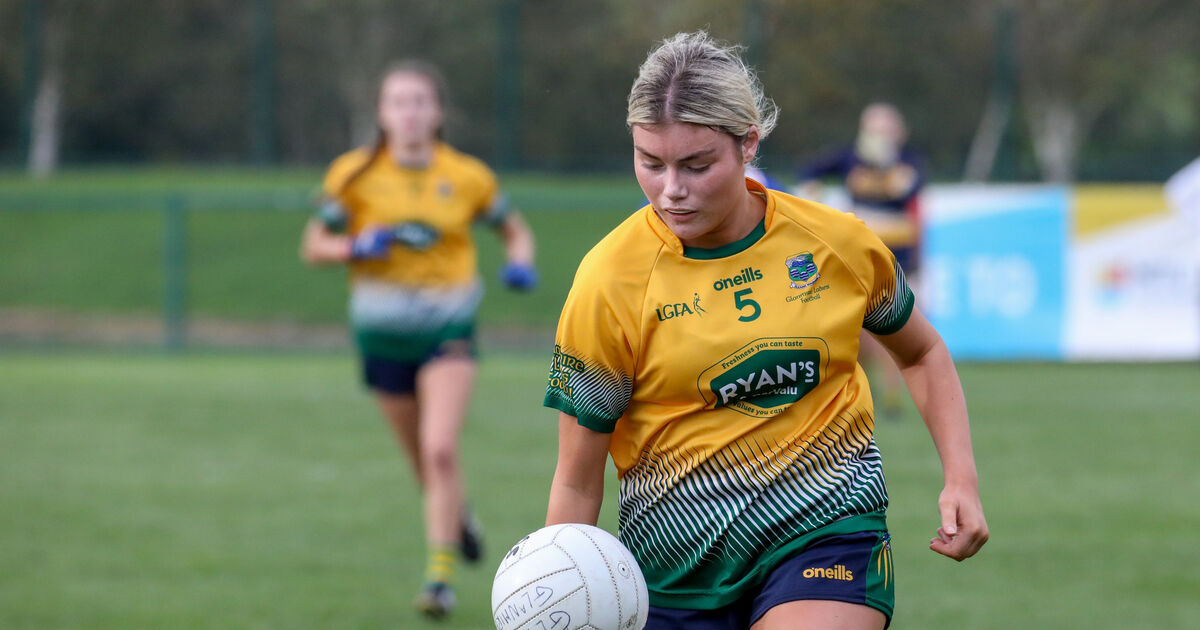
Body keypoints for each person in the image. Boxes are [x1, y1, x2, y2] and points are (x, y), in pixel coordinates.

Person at [543, 32, 986, 630]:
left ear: (748, 143)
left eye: (697, 165)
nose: (672, 189)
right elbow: (576, 479)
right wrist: (557, 586)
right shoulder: (608, 281)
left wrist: (961, 478)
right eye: (651, 163)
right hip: (672, 576)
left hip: (828, 533)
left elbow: (923, 351)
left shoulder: (838, 244)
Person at [300, 59, 537, 619]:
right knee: (420, 462)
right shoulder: (353, 175)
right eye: (397, 102)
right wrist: (353, 248)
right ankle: (459, 519)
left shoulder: (467, 175)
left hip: (448, 331)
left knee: (439, 448)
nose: (409, 113)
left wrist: (519, 261)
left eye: (419, 101)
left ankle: (439, 579)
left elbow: (513, 227)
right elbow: (313, 244)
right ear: (382, 113)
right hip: (381, 338)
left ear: (438, 111)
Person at [796, 102, 925, 419]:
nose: (878, 136)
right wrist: (814, 195)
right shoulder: (848, 158)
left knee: (899, 330)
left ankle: (893, 398)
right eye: (873, 129)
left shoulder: (909, 163)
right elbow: (807, 172)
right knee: (862, 334)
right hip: (860, 256)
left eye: (885, 129)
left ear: (899, 132)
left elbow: (911, 191)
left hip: (900, 259)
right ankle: (862, 391)